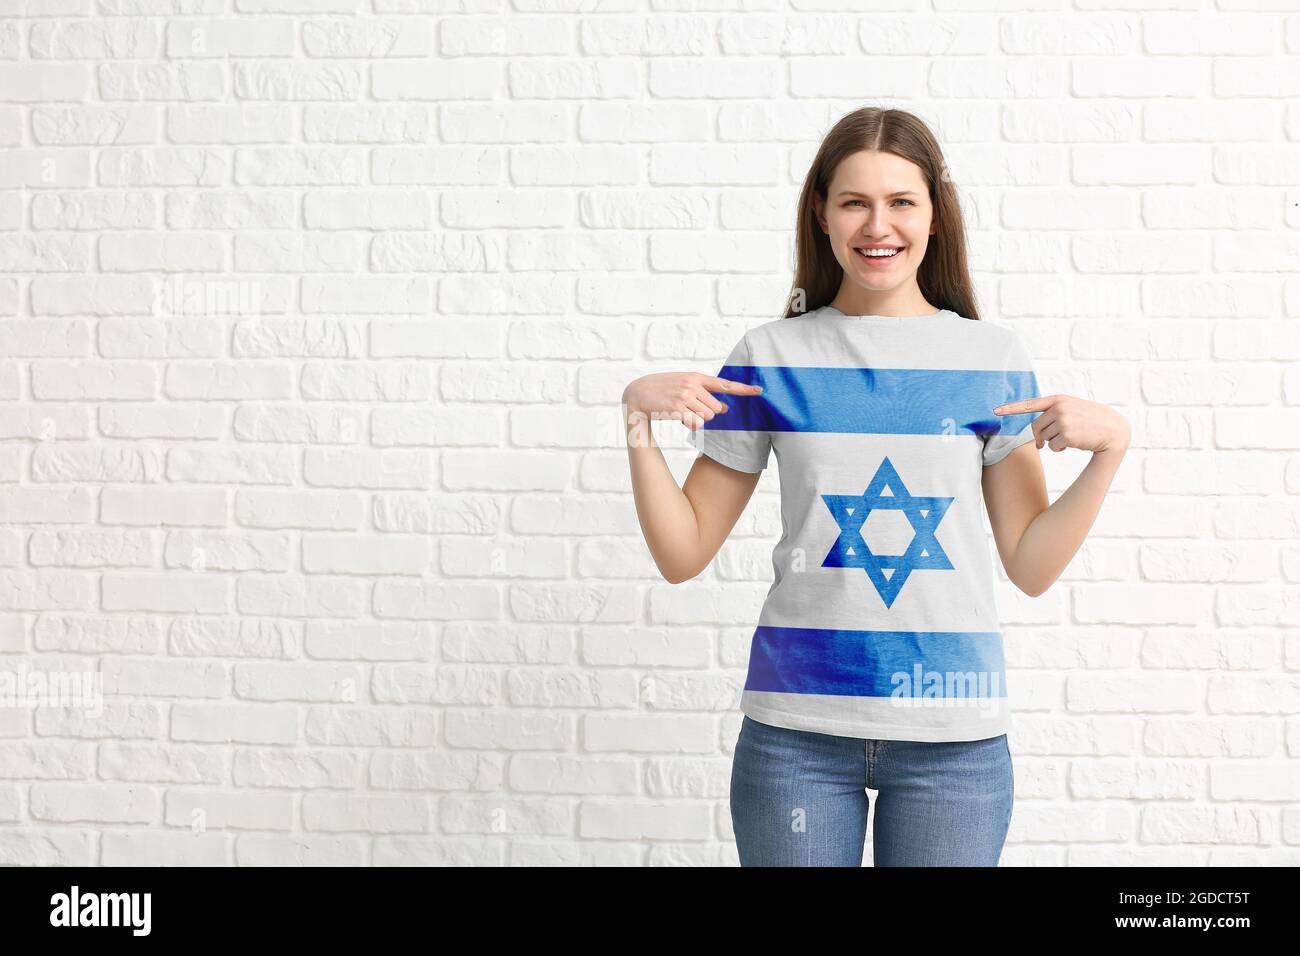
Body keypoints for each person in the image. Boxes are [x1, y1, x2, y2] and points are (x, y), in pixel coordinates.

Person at [621, 107, 1131, 866]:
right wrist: (636, 420)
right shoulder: (769, 356)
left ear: (934, 215)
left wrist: (1111, 452)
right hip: (796, 734)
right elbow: (683, 551)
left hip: (952, 740)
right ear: (822, 215)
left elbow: (1029, 563)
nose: (877, 225)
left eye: (901, 201)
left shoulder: (989, 359)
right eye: (854, 202)